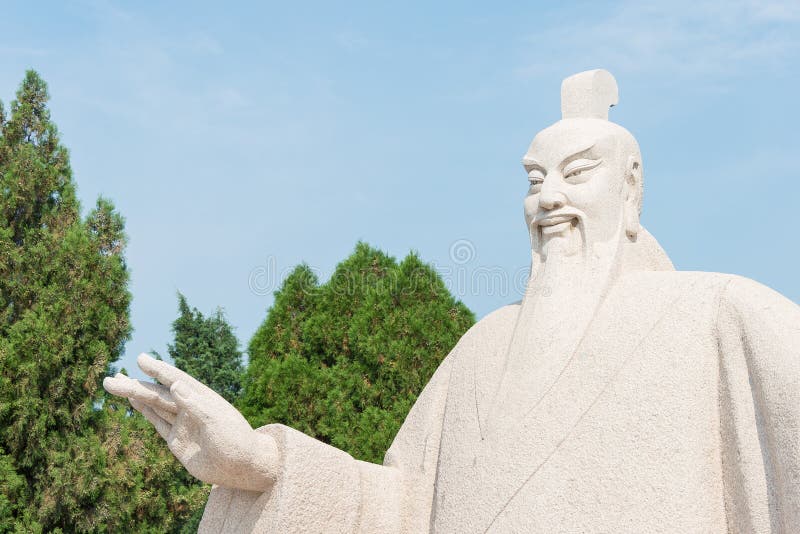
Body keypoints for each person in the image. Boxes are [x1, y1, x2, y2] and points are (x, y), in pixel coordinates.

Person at [104, 70, 800, 533]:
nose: (547, 198)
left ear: (632, 189)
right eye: (534, 179)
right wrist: (263, 466)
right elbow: (399, 506)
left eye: (576, 173)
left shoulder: (717, 316)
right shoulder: (483, 348)